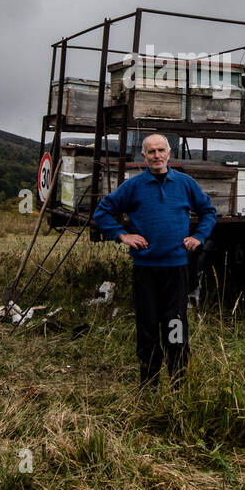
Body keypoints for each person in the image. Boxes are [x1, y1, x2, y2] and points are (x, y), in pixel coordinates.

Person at [92, 133, 216, 389]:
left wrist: (199, 237)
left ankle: (179, 381)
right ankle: (149, 384)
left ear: (169, 154)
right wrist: (122, 235)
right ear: (144, 156)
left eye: (161, 150)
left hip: (176, 269)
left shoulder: (184, 184)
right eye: (151, 152)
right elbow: (102, 211)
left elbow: (208, 211)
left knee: (175, 323)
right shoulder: (134, 187)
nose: (157, 156)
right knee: (147, 325)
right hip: (145, 270)